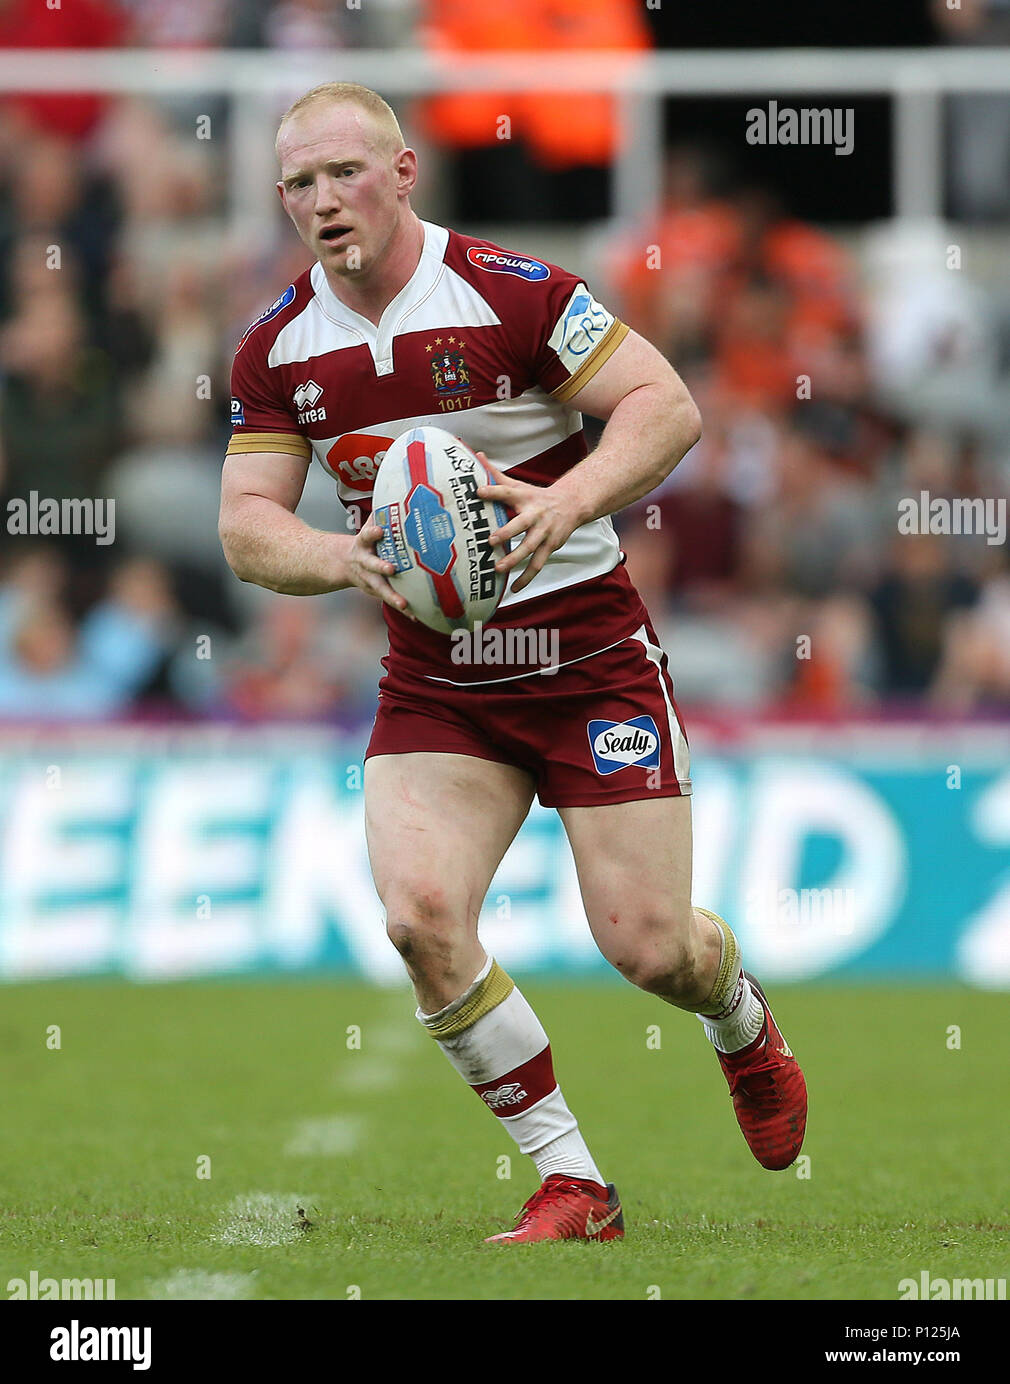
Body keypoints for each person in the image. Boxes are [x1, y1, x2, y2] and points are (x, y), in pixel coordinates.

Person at [217, 83, 807, 1244]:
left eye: (345, 172)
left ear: (403, 173)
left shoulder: (510, 291)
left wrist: (563, 497)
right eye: (298, 182)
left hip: (587, 659)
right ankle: (572, 1185)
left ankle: (737, 1019)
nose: (323, 200)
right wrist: (339, 557)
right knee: (419, 914)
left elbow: (665, 405)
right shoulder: (278, 347)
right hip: (440, 683)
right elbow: (244, 524)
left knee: (649, 948)